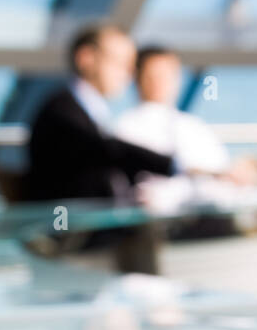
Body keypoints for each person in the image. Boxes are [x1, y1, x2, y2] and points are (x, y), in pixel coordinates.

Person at [23, 23, 173, 203]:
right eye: (120, 63)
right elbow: (105, 150)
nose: (128, 74)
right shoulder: (62, 111)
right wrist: (173, 165)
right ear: (86, 58)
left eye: (131, 66)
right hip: (69, 222)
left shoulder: (88, 110)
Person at [114, 46, 230, 174]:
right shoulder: (127, 127)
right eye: (153, 76)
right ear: (137, 79)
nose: (160, 83)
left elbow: (222, 170)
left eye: (167, 75)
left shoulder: (194, 127)